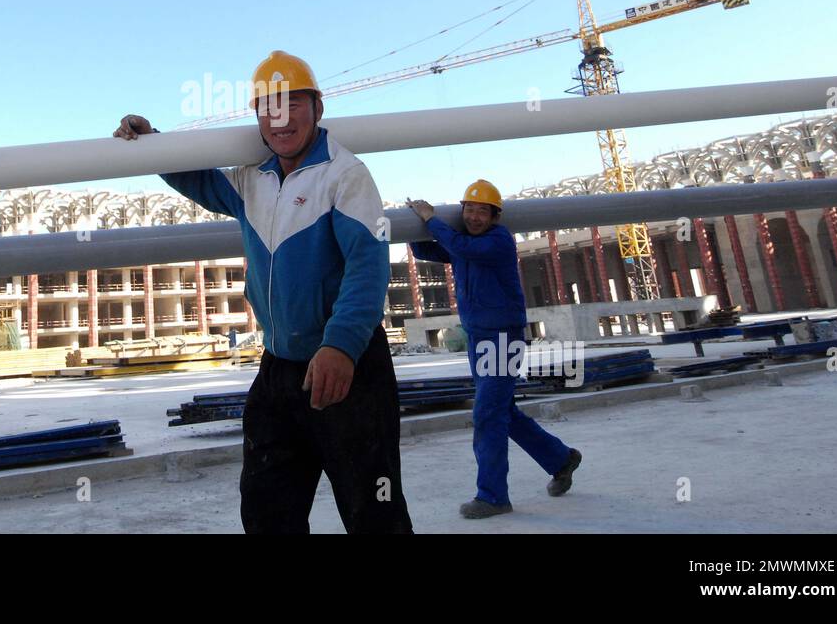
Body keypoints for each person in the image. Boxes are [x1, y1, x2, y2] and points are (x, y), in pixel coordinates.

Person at [114, 50, 412, 533]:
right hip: (279, 370)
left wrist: (341, 345)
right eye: (268, 107)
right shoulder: (252, 178)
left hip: (348, 368)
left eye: (293, 103)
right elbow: (198, 179)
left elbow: (367, 264)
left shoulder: (345, 174)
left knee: (374, 513)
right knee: (267, 511)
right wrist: (154, 144)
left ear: (318, 108)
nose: (281, 118)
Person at [406, 182, 582, 518]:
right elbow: (425, 251)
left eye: (481, 211)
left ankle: (492, 496)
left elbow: (457, 245)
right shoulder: (465, 244)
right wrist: (413, 222)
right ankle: (561, 459)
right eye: (469, 210)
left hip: (502, 337)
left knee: (488, 414)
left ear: (494, 216)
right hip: (478, 336)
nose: (473, 217)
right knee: (503, 411)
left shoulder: (497, 241)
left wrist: (431, 219)